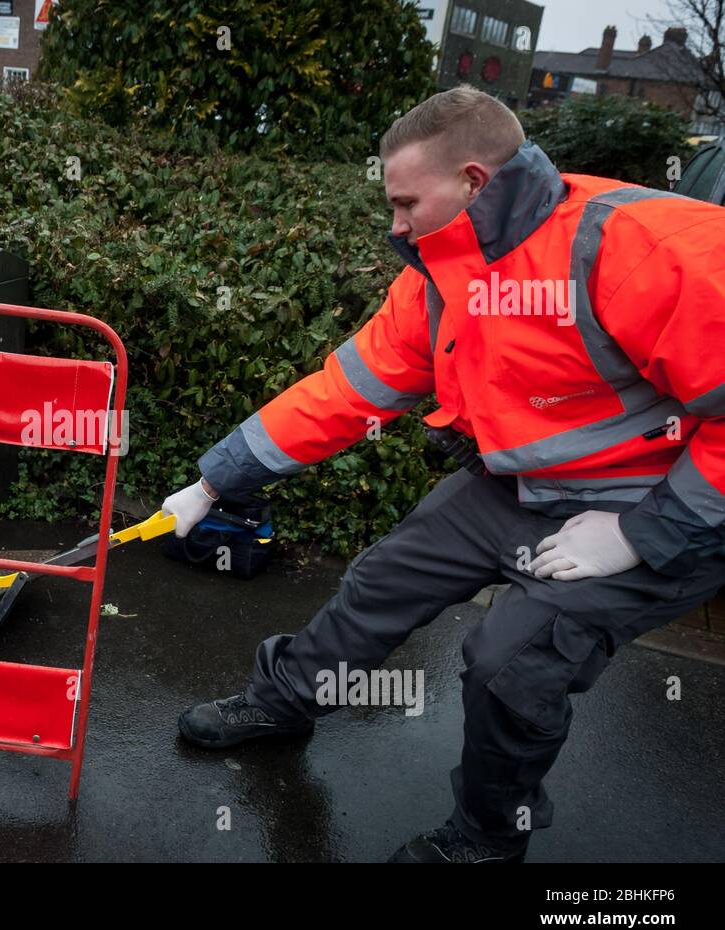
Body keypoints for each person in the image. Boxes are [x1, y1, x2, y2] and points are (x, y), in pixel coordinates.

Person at [163, 85, 725, 863]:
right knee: (384, 579)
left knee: (512, 662)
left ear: (472, 182)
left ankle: (489, 839)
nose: (393, 224)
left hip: (667, 503)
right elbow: (346, 391)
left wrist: (640, 531)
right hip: (523, 490)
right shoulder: (442, 275)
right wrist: (215, 482)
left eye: (404, 202)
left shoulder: (633, 249)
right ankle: (283, 700)